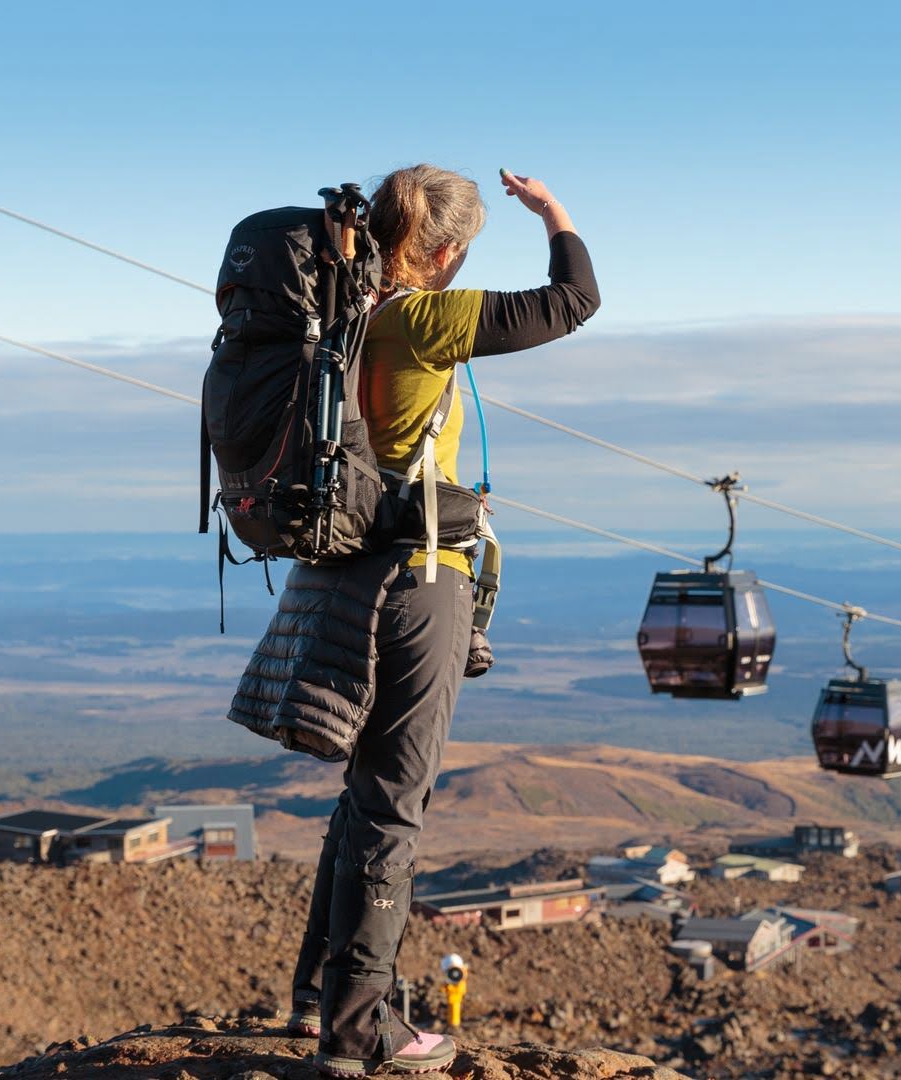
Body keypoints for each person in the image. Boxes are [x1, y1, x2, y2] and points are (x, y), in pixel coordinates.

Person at [276, 163, 598, 1077]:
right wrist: (554, 211)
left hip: (349, 569)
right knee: (394, 803)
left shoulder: (344, 317)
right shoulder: (422, 317)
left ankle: (315, 1001)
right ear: (448, 252)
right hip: (422, 578)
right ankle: (357, 1033)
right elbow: (574, 300)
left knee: (363, 797)